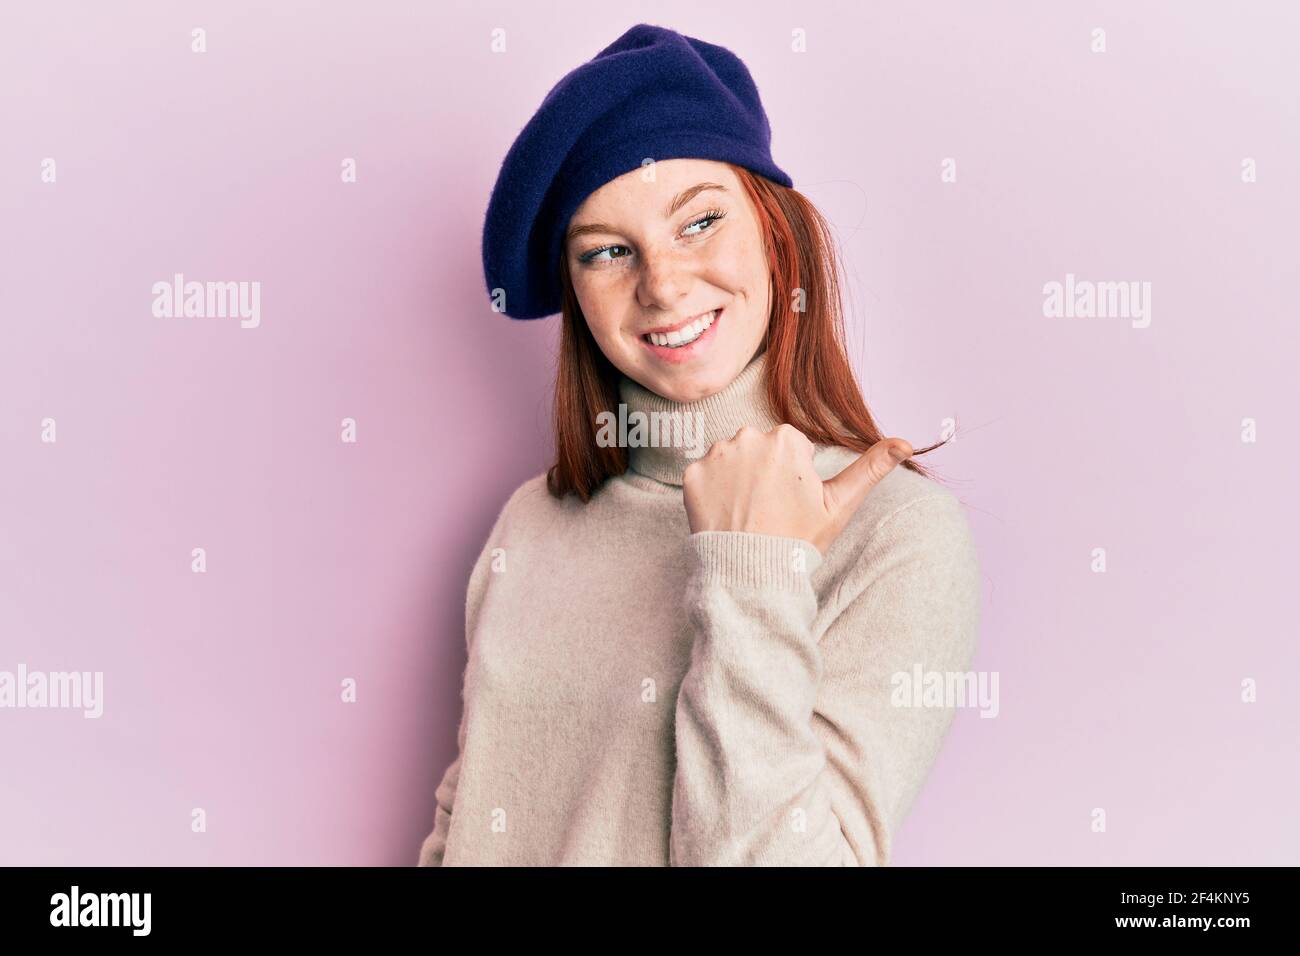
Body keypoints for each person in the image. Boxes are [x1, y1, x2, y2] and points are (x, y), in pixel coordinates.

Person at [418, 23, 981, 866]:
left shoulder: (898, 537)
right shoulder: (531, 523)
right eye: (608, 252)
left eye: (699, 222)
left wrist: (752, 569)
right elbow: (461, 827)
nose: (663, 284)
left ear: (772, 227)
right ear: (575, 291)